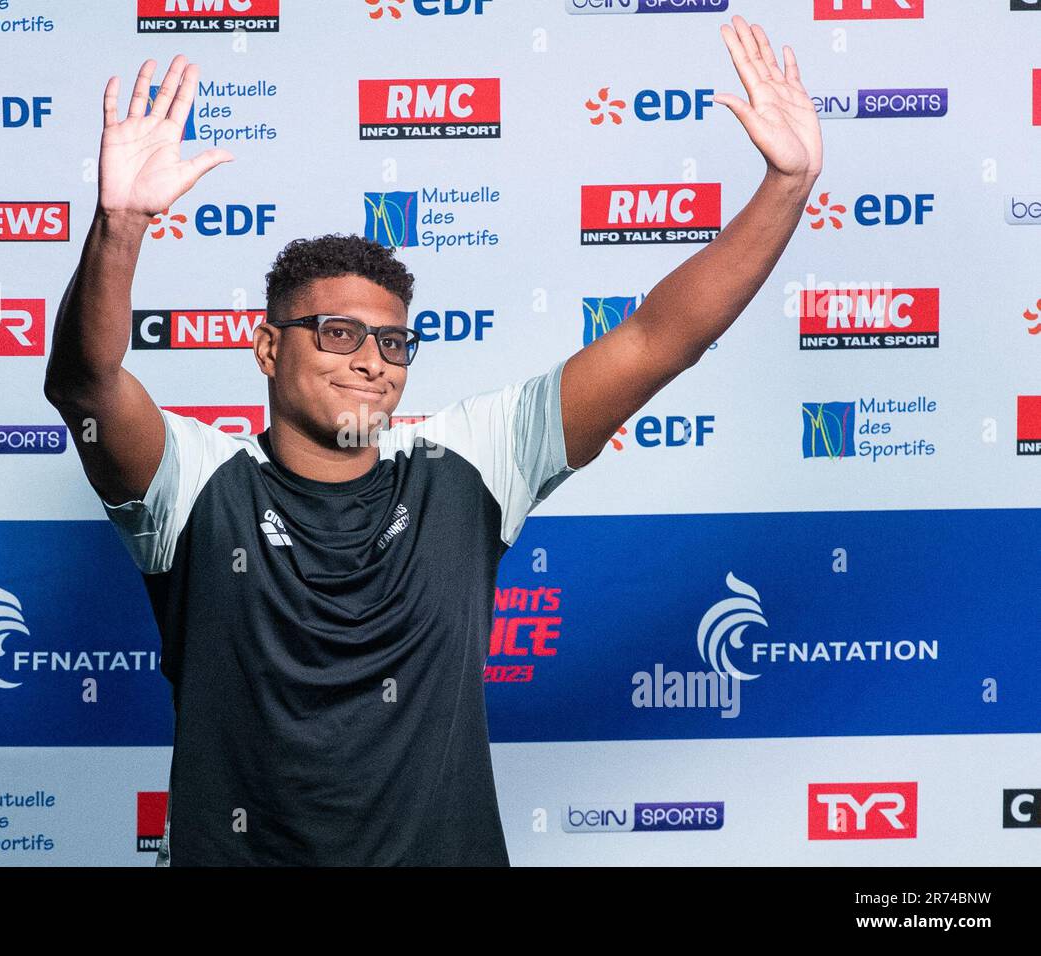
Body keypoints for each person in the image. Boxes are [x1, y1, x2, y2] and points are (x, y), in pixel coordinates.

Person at [43, 14, 822, 865]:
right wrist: (119, 229)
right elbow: (86, 382)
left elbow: (654, 339)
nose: (371, 361)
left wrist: (786, 184)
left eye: (392, 341)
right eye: (336, 333)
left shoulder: (468, 465)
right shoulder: (195, 481)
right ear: (268, 347)